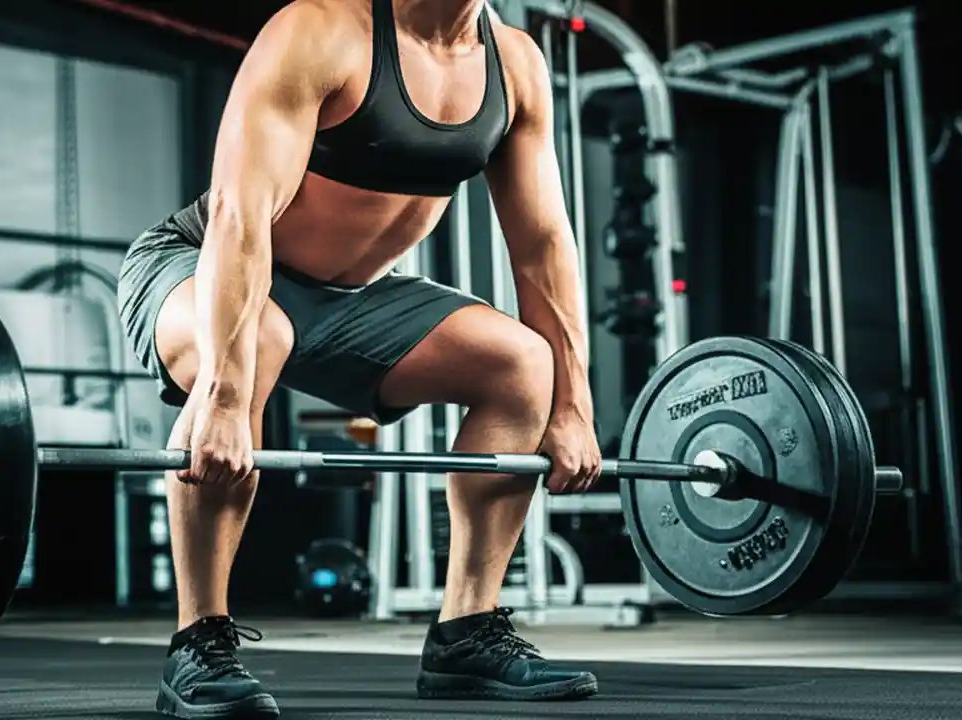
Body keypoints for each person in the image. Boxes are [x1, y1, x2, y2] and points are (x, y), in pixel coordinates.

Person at [118, 0, 602, 716]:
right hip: (199, 267)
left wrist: (573, 404)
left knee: (524, 364)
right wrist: (221, 393)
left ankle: (466, 635)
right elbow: (238, 212)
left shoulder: (516, 64)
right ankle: (198, 641)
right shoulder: (321, 30)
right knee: (260, 338)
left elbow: (542, 245)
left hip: (351, 299)